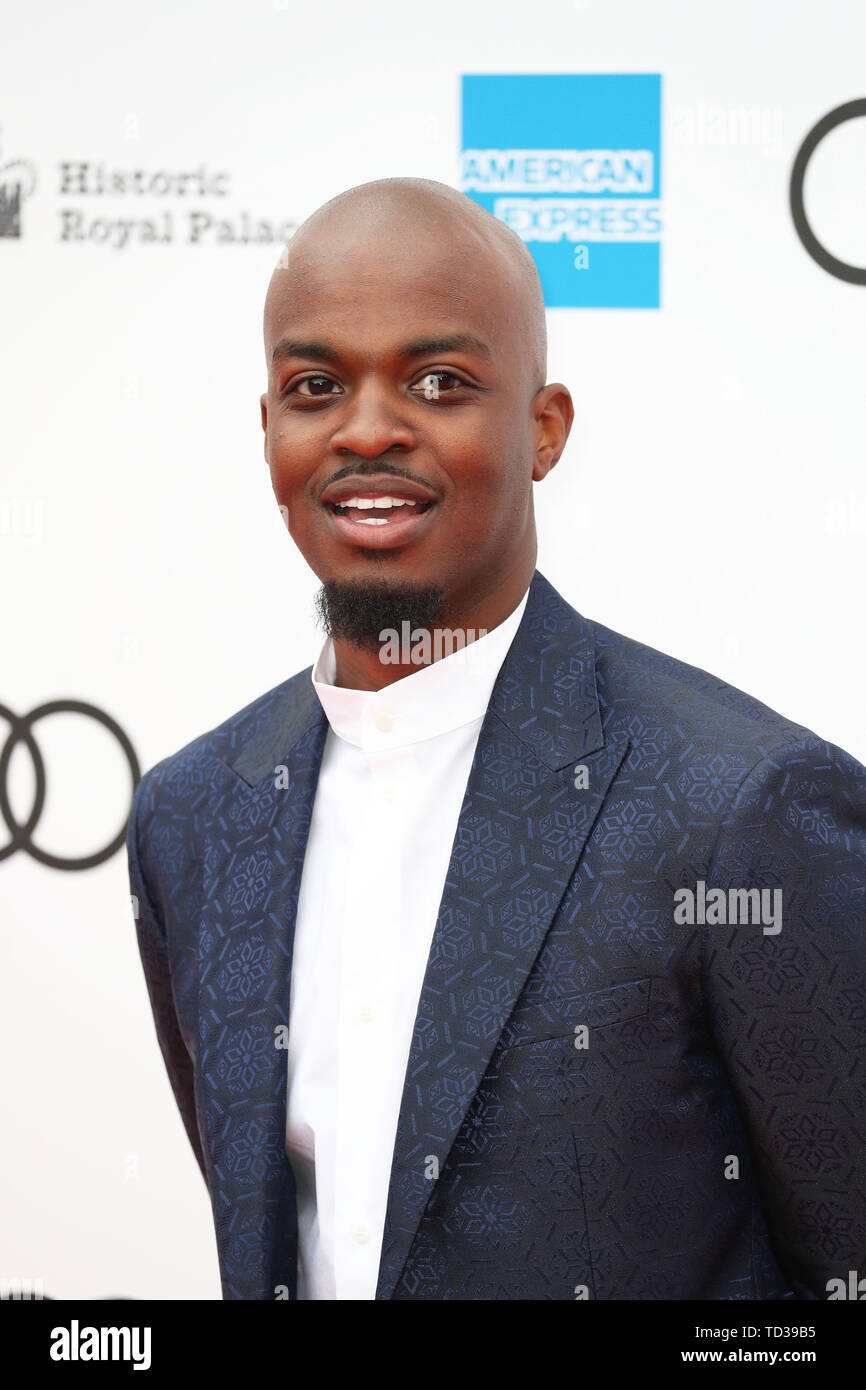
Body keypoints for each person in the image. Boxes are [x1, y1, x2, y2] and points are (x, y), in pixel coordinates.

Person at [127, 176, 866, 1301]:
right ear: (268, 426)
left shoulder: (739, 808)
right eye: (315, 385)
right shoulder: (193, 816)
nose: (367, 429)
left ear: (542, 428)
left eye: (438, 381)